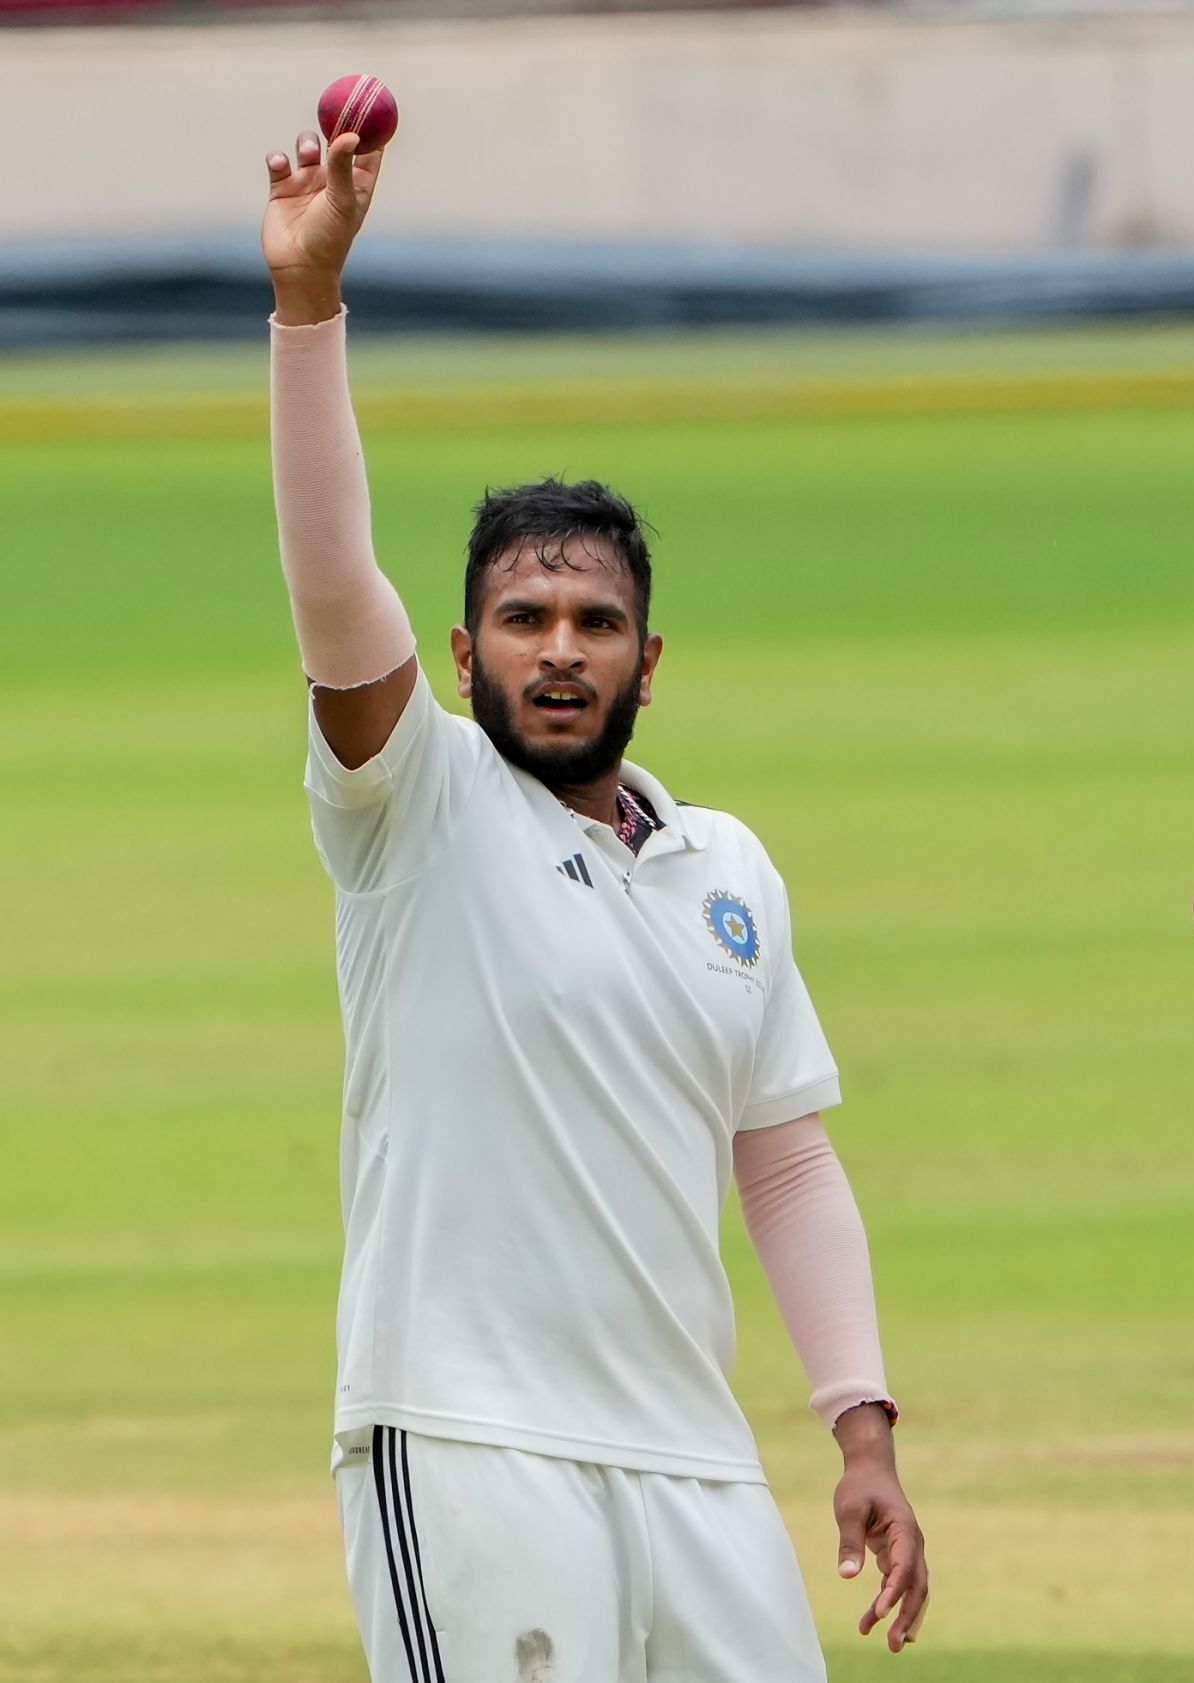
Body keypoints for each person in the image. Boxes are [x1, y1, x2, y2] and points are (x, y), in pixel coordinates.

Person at [262, 126, 929, 1683]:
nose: (558, 648)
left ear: (648, 656)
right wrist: (309, 306)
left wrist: (863, 1424)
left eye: (594, 621)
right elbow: (328, 582)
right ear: (465, 645)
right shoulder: (412, 803)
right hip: (473, 1442)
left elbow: (786, 1164)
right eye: (522, 618)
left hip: (695, 1463)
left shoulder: (726, 869)